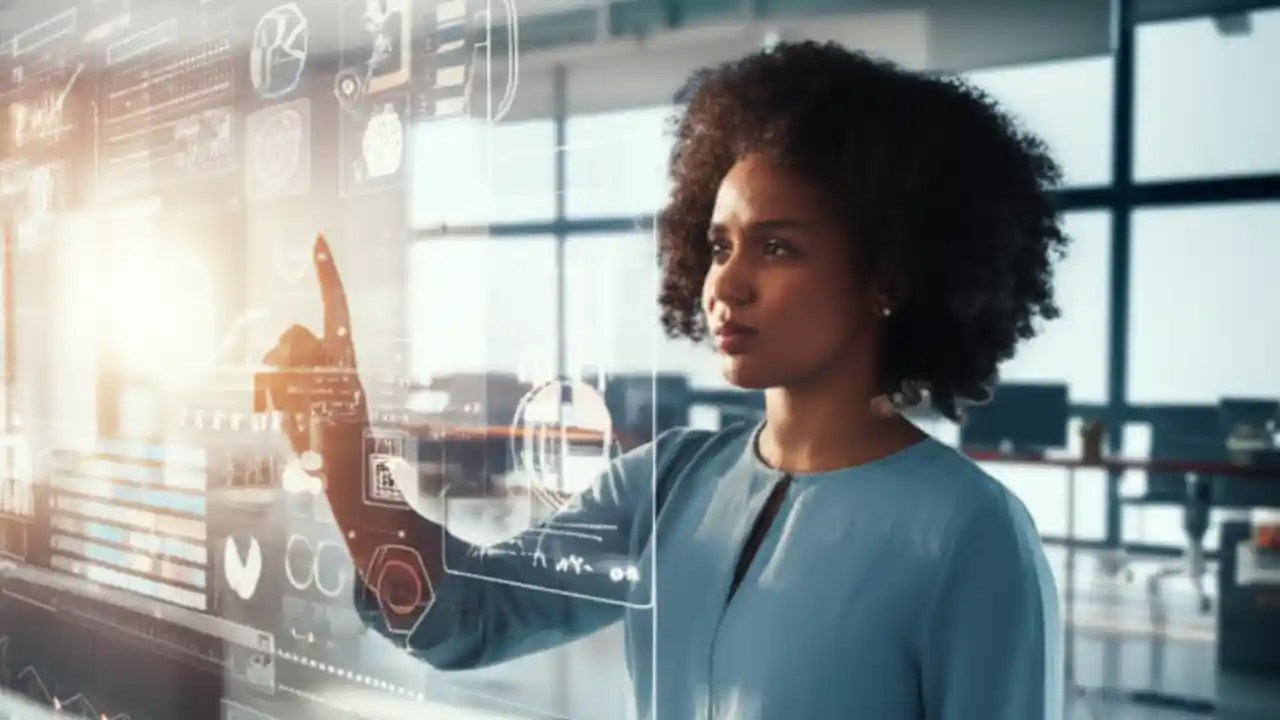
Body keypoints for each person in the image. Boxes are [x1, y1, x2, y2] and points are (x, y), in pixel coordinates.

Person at [262, 41, 1067, 719]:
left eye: (777, 248)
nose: (727, 285)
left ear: (885, 276)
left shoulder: (971, 534)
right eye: (719, 247)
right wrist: (345, 447)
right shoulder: (670, 482)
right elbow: (460, 615)